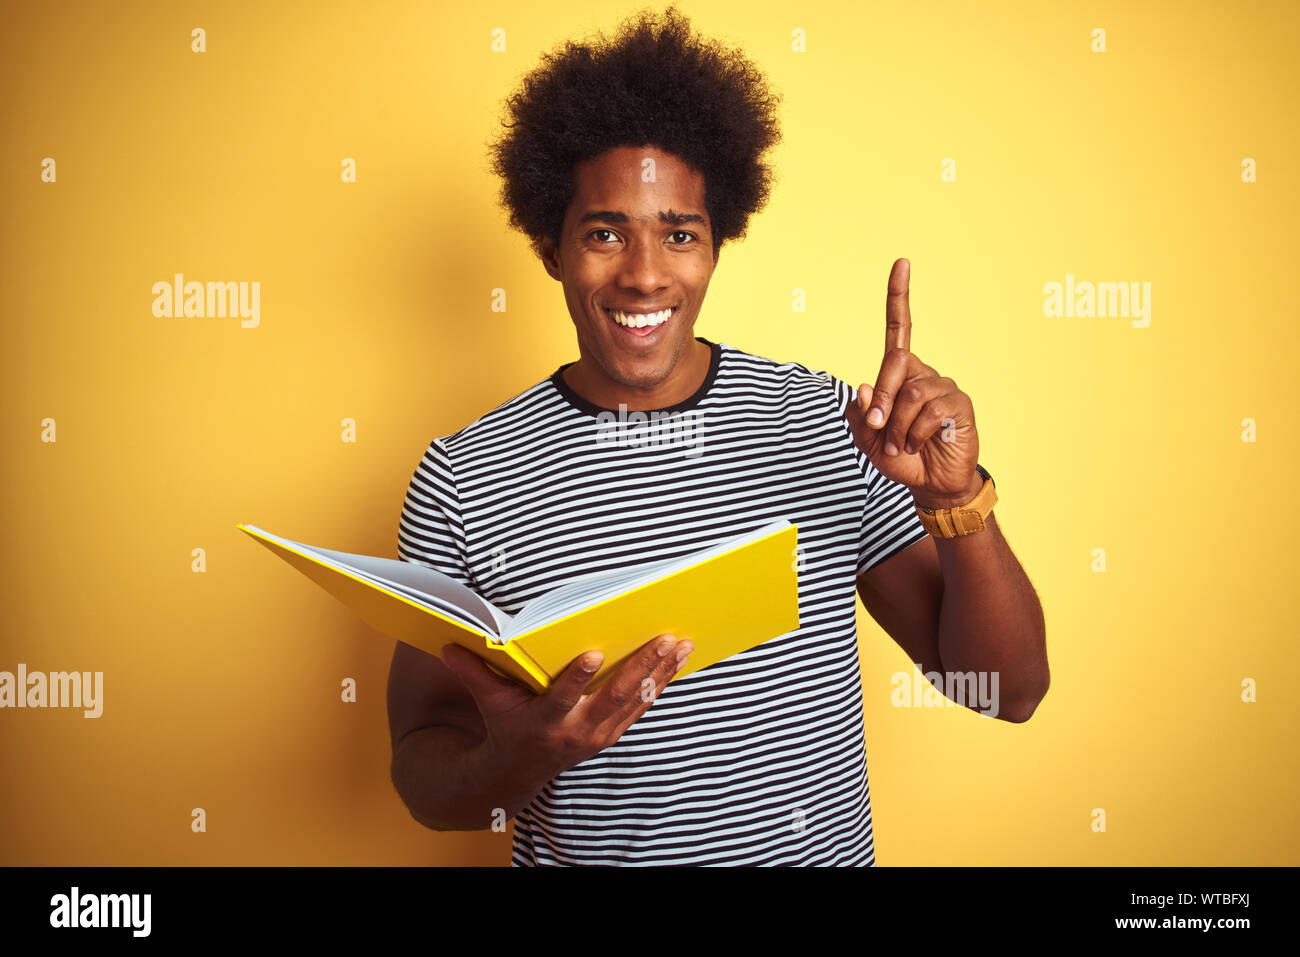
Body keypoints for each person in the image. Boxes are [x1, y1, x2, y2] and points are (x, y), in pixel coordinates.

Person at [386, 5, 1048, 866]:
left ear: (717, 245)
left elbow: (1008, 692)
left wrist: (957, 500)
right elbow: (421, 773)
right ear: (551, 246)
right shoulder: (462, 474)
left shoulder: (826, 424)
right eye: (603, 231)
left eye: (679, 234)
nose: (645, 272)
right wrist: (519, 757)